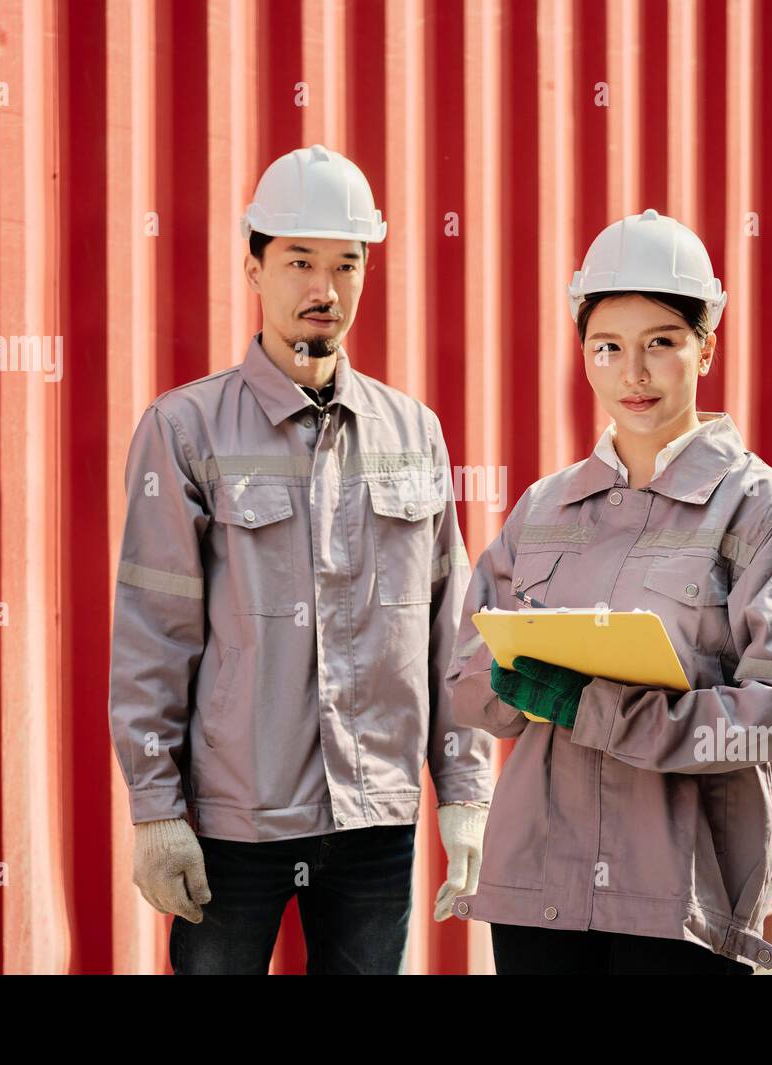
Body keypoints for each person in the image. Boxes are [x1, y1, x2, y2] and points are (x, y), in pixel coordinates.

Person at [108, 144, 493, 975]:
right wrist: (155, 810)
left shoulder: (412, 431)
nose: (324, 288)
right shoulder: (186, 430)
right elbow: (153, 633)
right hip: (234, 822)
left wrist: (465, 793)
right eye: (299, 261)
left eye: (346, 263)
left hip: (374, 820)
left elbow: (450, 633)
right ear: (253, 265)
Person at [445, 209, 772, 975]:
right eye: (608, 348)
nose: (634, 374)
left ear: (706, 346)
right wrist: (514, 685)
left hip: (676, 904)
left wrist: (597, 710)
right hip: (535, 892)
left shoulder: (759, 510)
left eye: (662, 343)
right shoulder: (544, 507)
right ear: (583, 356)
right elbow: (465, 681)